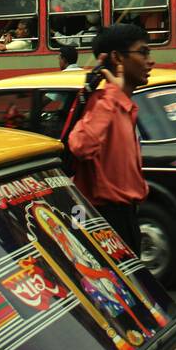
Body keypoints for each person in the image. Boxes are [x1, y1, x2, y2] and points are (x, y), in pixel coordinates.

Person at [67, 24, 153, 253]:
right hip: (106, 221)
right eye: (142, 52)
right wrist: (112, 95)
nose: (150, 60)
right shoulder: (102, 103)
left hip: (128, 217)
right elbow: (80, 145)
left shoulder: (125, 106)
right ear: (117, 58)